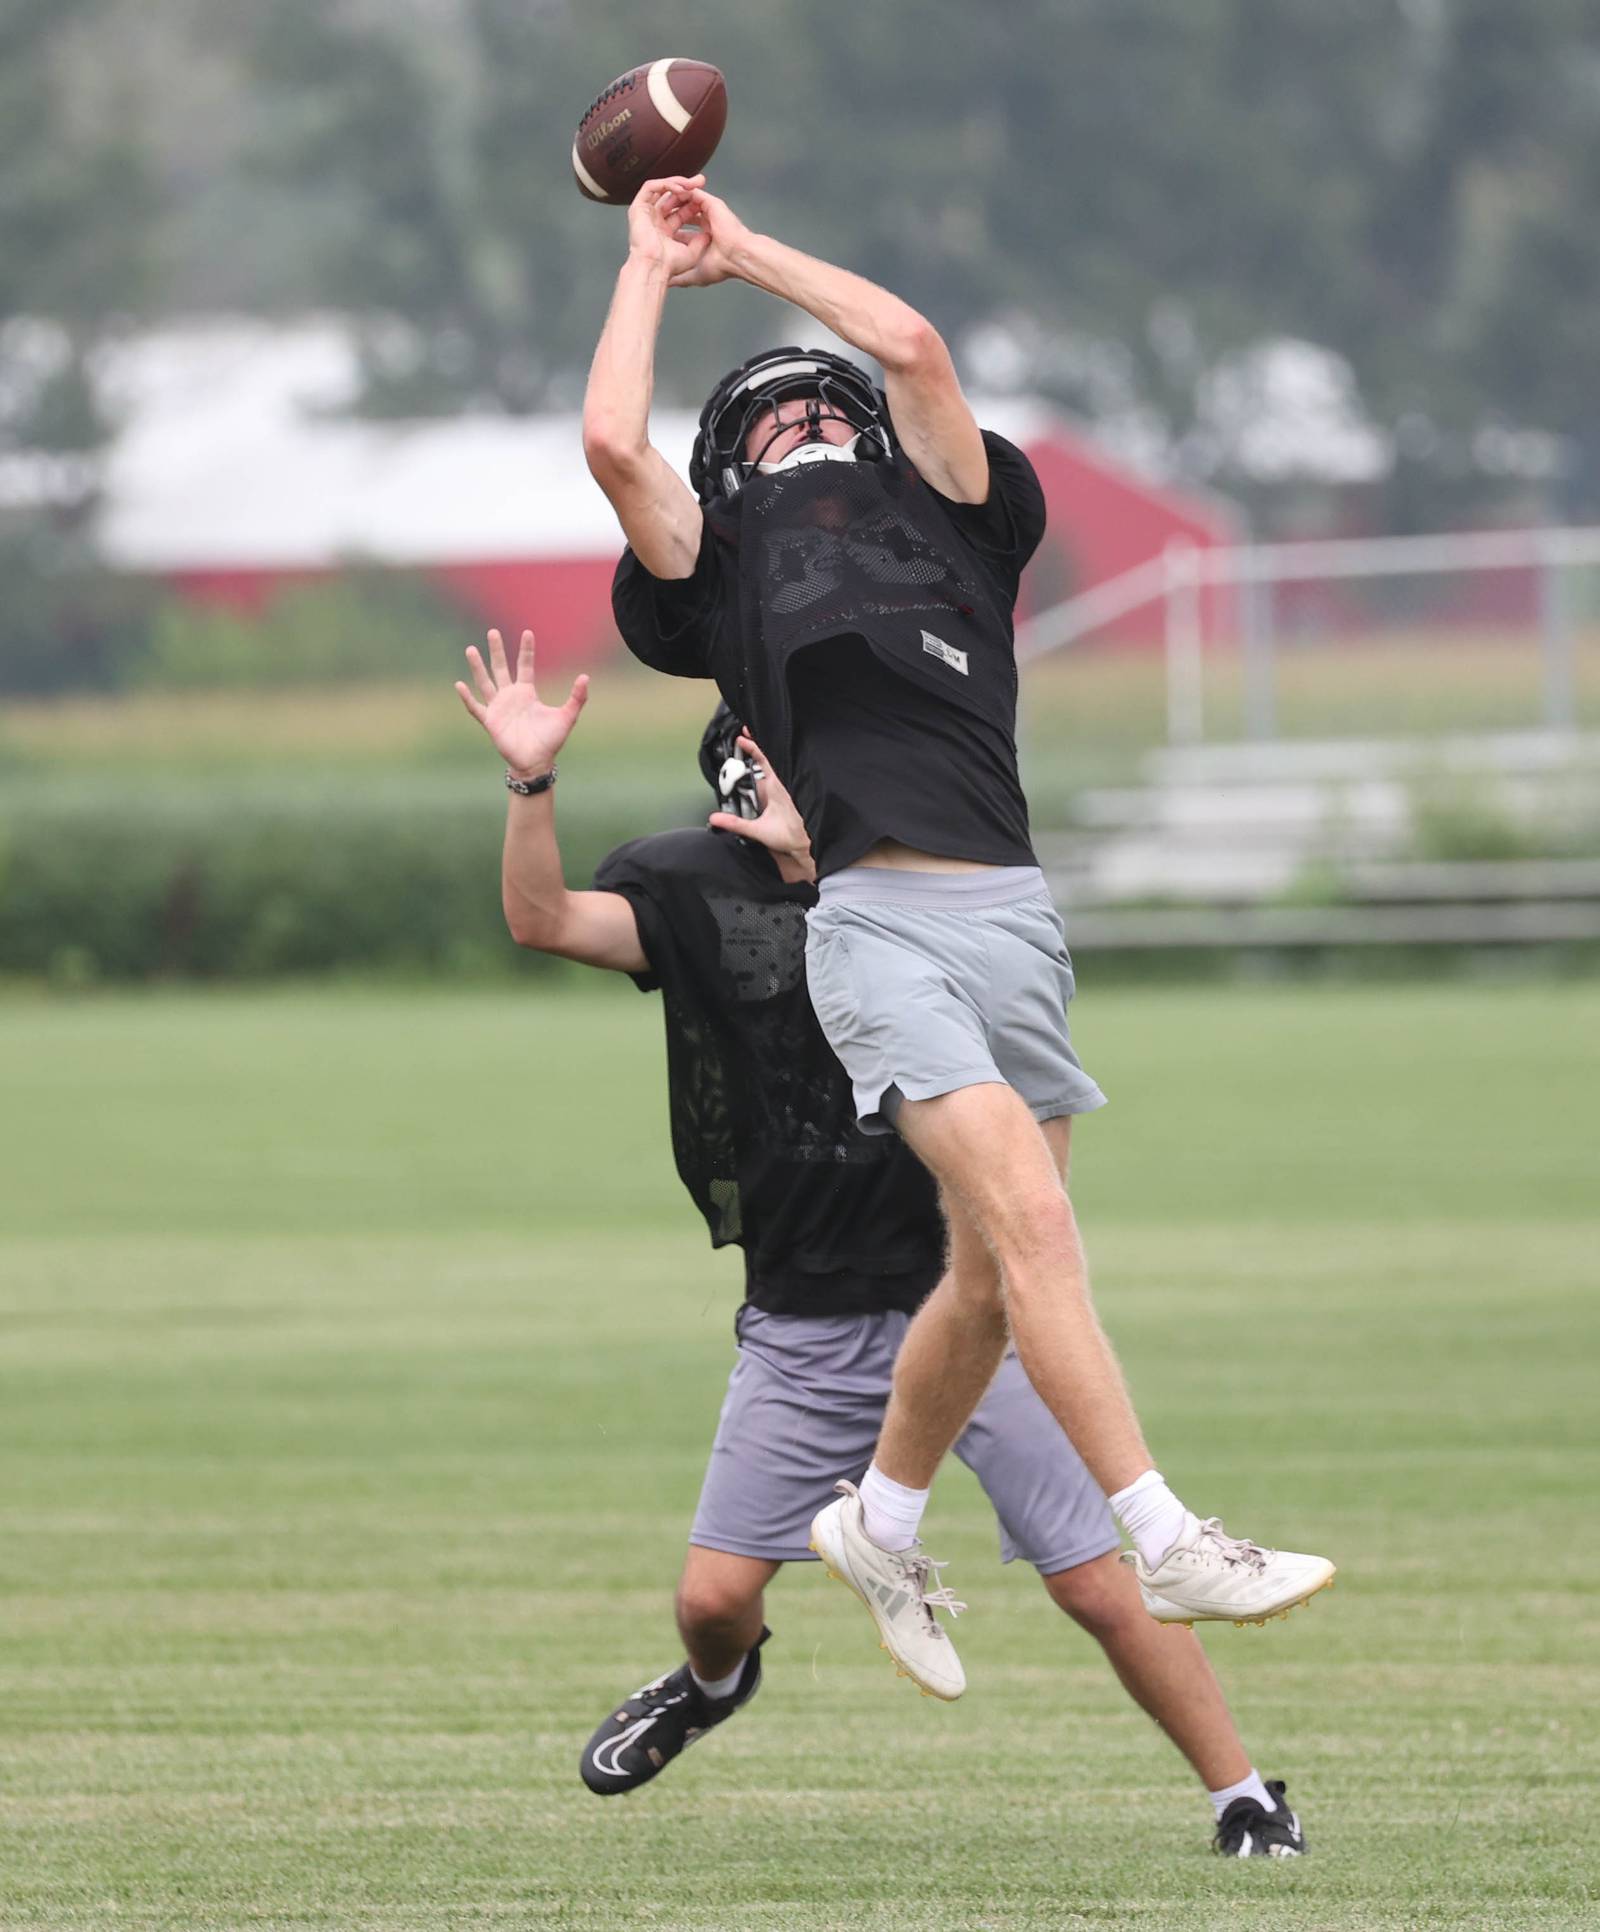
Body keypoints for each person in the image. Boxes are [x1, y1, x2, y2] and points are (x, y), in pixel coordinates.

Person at [581, 177, 1335, 1695]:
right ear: (733, 474)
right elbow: (612, 442)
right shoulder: (725, 577)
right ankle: (1165, 1528)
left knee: (989, 1280)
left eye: (818, 408)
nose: (800, 426)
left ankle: (881, 1513)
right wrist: (654, 272)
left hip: (1014, 916)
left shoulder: (959, 522)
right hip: (877, 926)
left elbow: (914, 346)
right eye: (768, 423)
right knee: (1034, 1230)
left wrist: (749, 252)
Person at [451, 627, 1309, 1856]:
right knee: (710, 1602)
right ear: (745, 772)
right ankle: (710, 1687)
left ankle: (1244, 1799)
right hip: (804, 1312)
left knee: (1098, 1587)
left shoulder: (936, 891)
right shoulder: (693, 887)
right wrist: (530, 780)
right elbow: (542, 920)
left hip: (960, 1304)